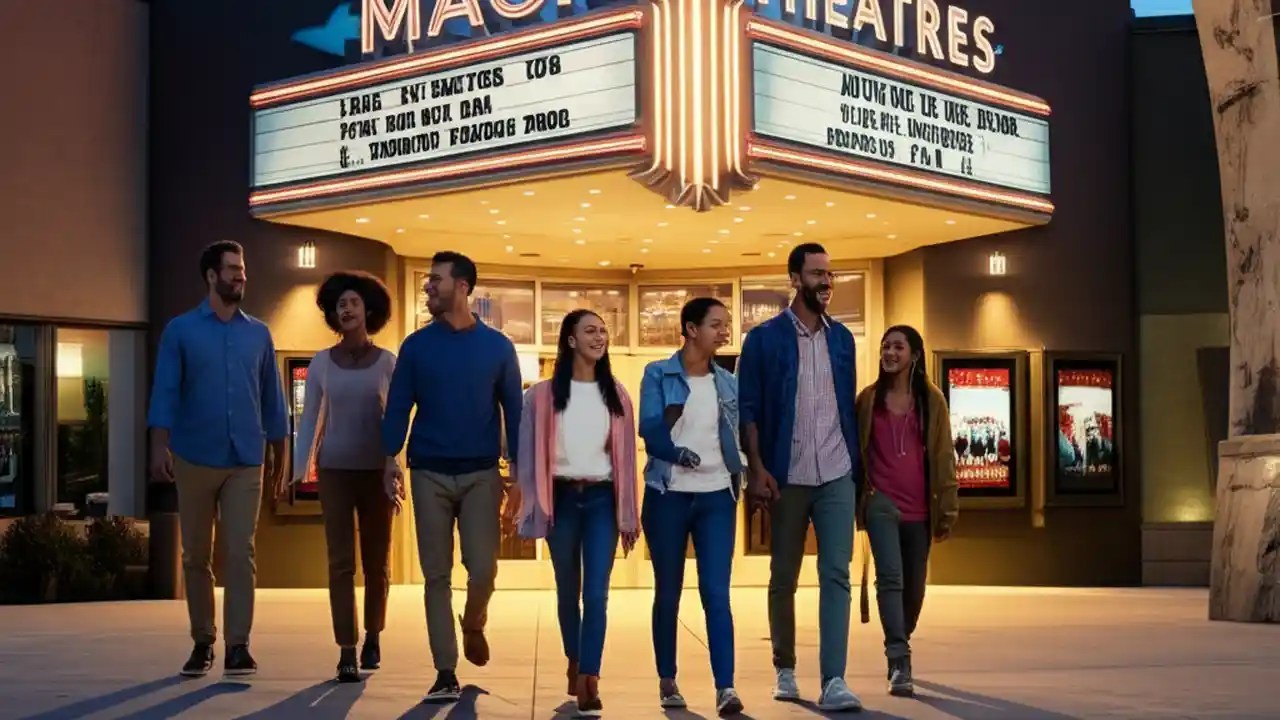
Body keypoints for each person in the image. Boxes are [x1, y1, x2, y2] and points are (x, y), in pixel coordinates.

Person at [381, 251, 523, 703]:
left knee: (483, 568)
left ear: (462, 287)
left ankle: (473, 622)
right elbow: (399, 406)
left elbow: (515, 414)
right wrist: (390, 460)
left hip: (482, 472)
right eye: (426, 282)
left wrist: (518, 474)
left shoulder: (498, 347)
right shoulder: (416, 346)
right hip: (429, 472)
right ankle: (445, 669)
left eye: (435, 281)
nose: (428, 288)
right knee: (435, 574)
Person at [147, 240, 289, 678]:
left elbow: (273, 399)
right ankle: (202, 641)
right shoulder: (181, 331)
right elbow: (165, 391)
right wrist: (158, 446)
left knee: (241, 550)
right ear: (211, 275)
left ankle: (239, 646)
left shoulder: (259, 333)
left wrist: (282, 457)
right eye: (232, 270)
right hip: (194, 456)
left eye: (242, 269)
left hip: (247, 458)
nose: (240, 276)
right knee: (195, 555)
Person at [737, 243, 863, 712]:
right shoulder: (763, 339)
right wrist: (757, 467)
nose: (826, 281)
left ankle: (834, 679)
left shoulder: (843, 339)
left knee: (836, 573)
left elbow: (845, 405)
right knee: (783, 575)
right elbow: (747, 409)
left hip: (836, 471)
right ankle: (784, 667)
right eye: (816, 274)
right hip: (785, 475)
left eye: (830, 273)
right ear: (794, 279)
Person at [513, 309, 639, 717]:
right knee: (567, 591)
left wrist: (629, 515)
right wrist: (524, 497)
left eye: (603, 331)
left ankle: (589, 678)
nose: (599, 337)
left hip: (602, 499)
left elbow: (625, 461)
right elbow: (522, 452)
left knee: (597, 594)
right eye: (590, 330)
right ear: (569, 339)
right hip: (562, 500)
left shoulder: (617, 395)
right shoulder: (540, 396)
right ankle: (574, 656)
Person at [638, 297, 747, 717]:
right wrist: (675, 451)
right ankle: (667, 679)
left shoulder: (728, 382)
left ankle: (726, 687)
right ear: (690, 329)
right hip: (668, 494)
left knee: (716, 594)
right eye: (716, 324)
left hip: (718, 495)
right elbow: (649, 427)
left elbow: (739, 434)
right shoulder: (658, 374)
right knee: (668, 592)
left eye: (726, 324)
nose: (724, 332)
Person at [292, 271, 401, 683]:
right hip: (335, 470)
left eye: (353, 302)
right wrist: (301, 468)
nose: (346, 309)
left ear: (368, 310)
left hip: (376, 473)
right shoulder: (322, 362)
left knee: (377, 562)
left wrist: (396, 464)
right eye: (340, 304)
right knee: (340, 562)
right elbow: (310, 420)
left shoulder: (388, 362)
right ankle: (346, 648)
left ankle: (374, 633)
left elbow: (397, 419)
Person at [855, 325, 958, 698]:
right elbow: (856, 455)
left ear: (914, 354)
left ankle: (902, 636)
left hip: (920, 508)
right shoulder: (867, 400)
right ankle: (898, 656)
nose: (889, 352)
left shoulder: (932, 401)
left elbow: (945, 456)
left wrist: (947, 507)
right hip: (881, 501)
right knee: (891, 579)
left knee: (914, 588)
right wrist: (858, 502)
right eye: (885, 346)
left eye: (898, 346)